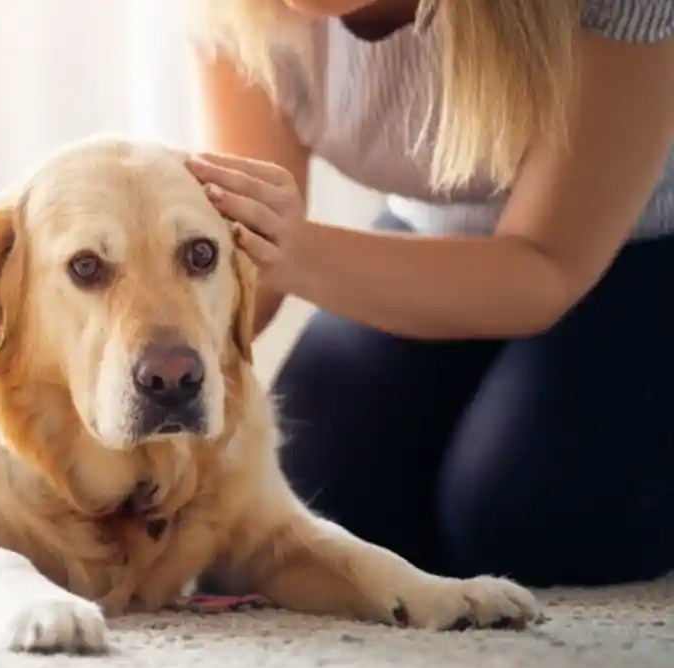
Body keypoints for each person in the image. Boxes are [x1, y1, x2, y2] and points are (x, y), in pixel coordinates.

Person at [187, 0, 673, 587]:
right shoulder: (238, 12)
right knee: (312, 500)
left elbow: (545, 270)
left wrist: (298, 252)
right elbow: (249, 256)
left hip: (636, 247)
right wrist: (145, 386)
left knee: (530, 520)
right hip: (431, 235)